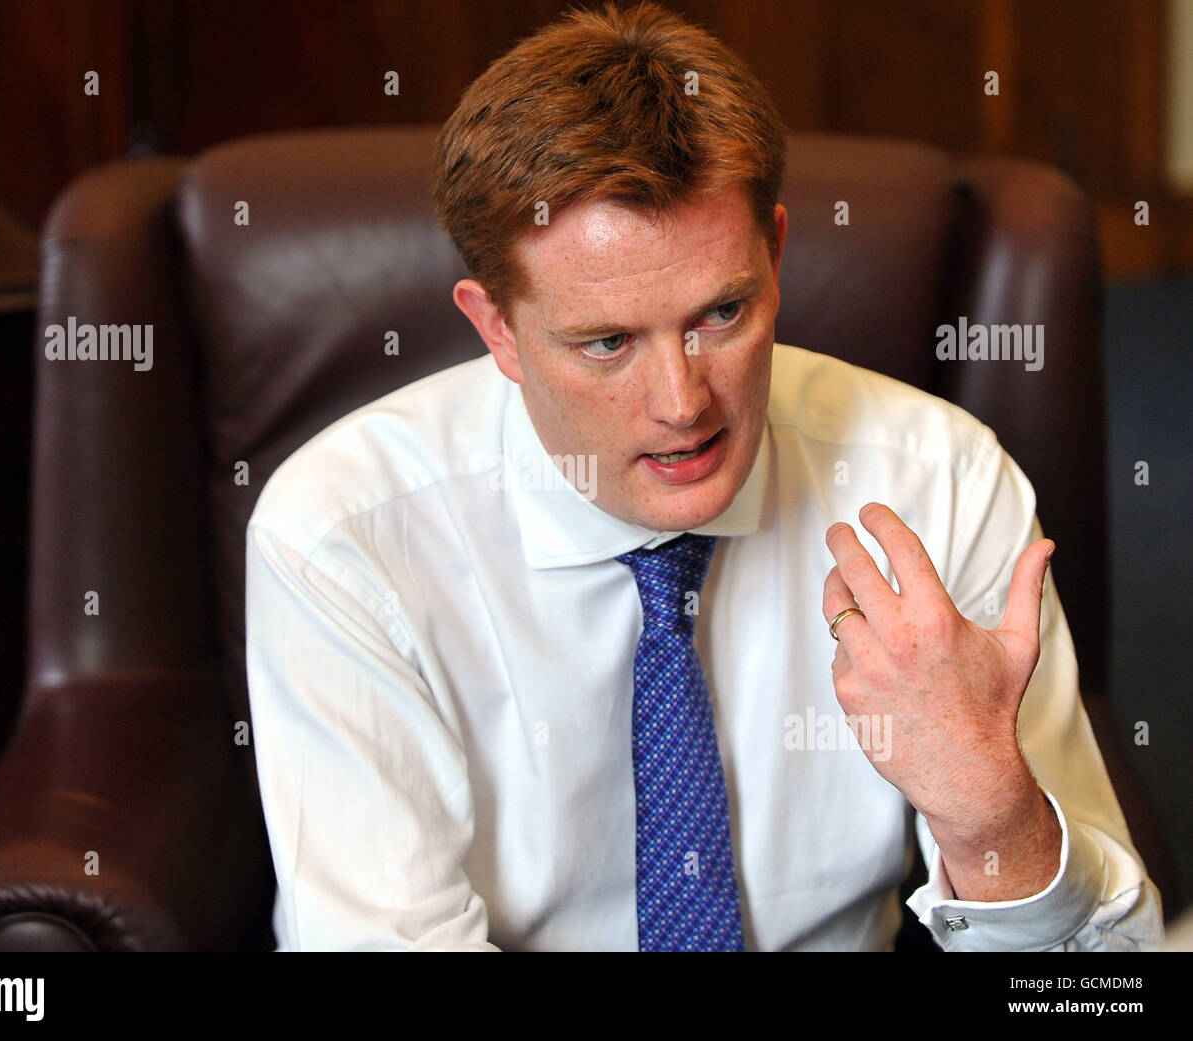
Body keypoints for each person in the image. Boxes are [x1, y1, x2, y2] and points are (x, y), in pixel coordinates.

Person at [244, 1, 1163, 951]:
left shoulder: (942, 484)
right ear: (496, 330)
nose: (684, 402)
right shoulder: (343, 536)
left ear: (774, 252)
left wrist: (993, 820)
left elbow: (1102, 980)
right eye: (606, 342)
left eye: (721, 314)